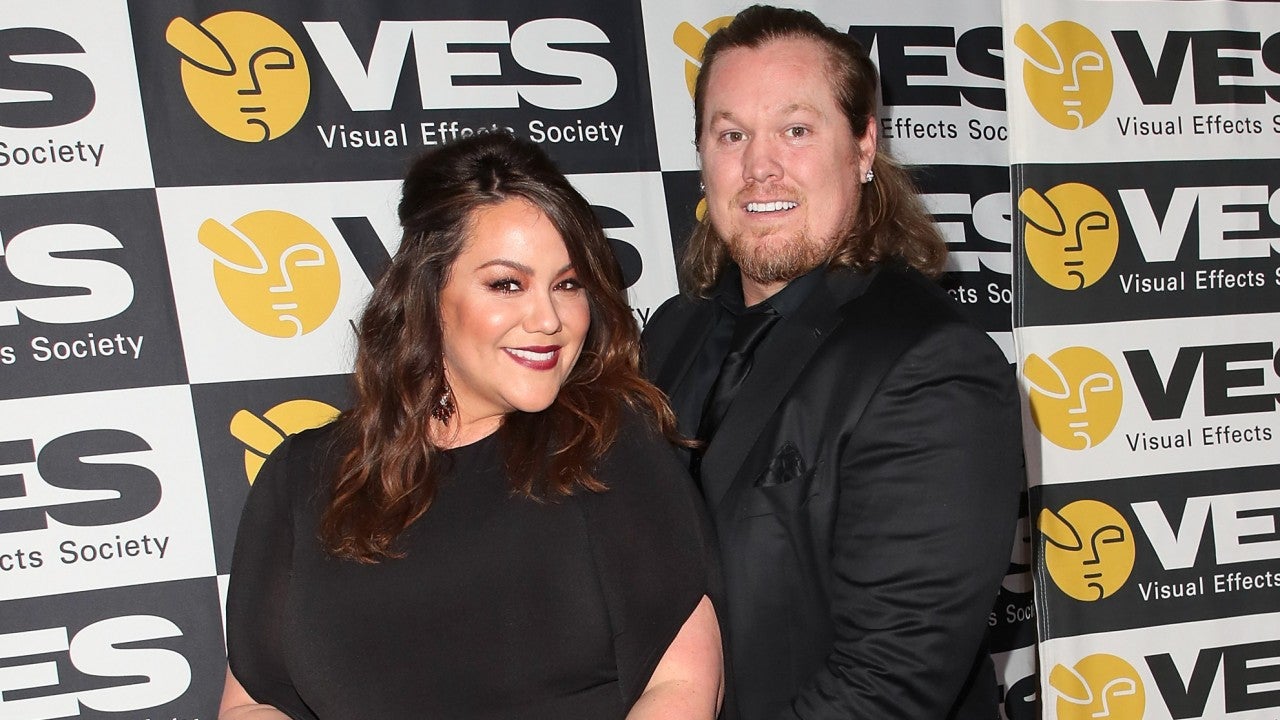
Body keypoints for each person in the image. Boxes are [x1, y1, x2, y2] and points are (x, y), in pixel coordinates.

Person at [220, 132, 723, 720]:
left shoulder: (611, 450)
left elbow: (683, 684)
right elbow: (253, 703)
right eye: (507, 284)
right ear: (428, 291)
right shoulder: (302, 477)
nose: (548, 318)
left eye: (567, 284)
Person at [642, 6, 1022, 719]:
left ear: (863, 145)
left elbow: (889, 682)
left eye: (796, 130)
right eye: (731, 135)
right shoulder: (670, 331)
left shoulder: (933, 363)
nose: (759, 168)